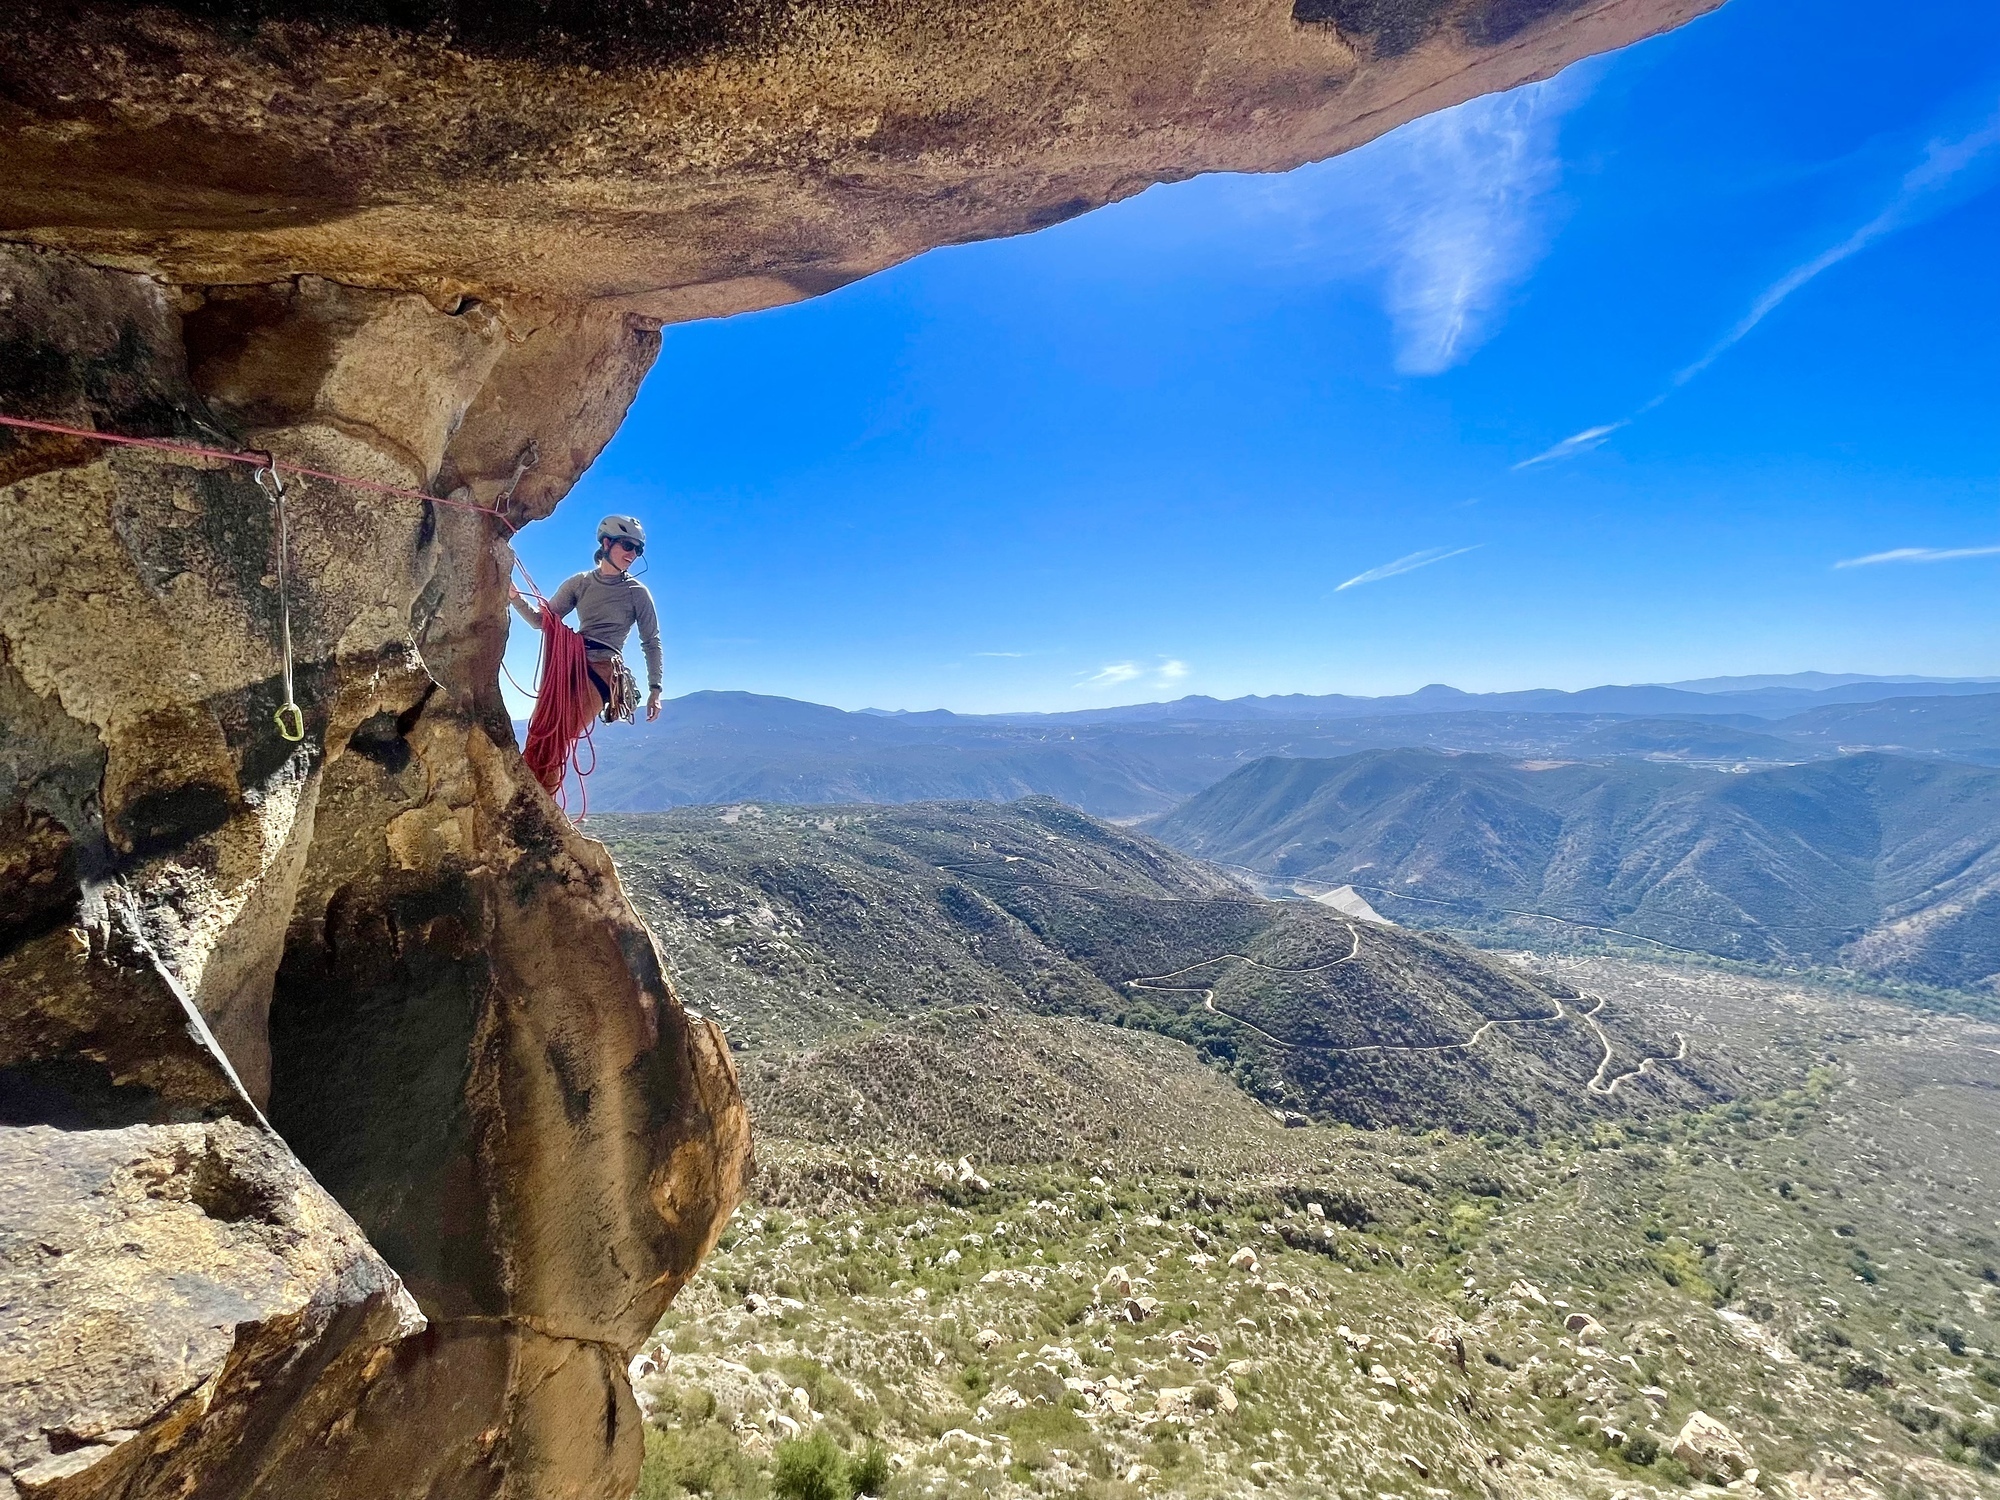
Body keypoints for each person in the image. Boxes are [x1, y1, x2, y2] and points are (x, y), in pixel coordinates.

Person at [511, 514, 664, 723]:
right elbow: (542, 622)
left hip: (604, 669)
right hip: (572, 664)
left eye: (638, 550)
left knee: (563, 729)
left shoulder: (637, 593)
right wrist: (515, 597)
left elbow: (651, 642)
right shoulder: (580, 583)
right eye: (628, 545)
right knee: (543, 727)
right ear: (607, 543)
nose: (633, 554)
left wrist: (655, 690)